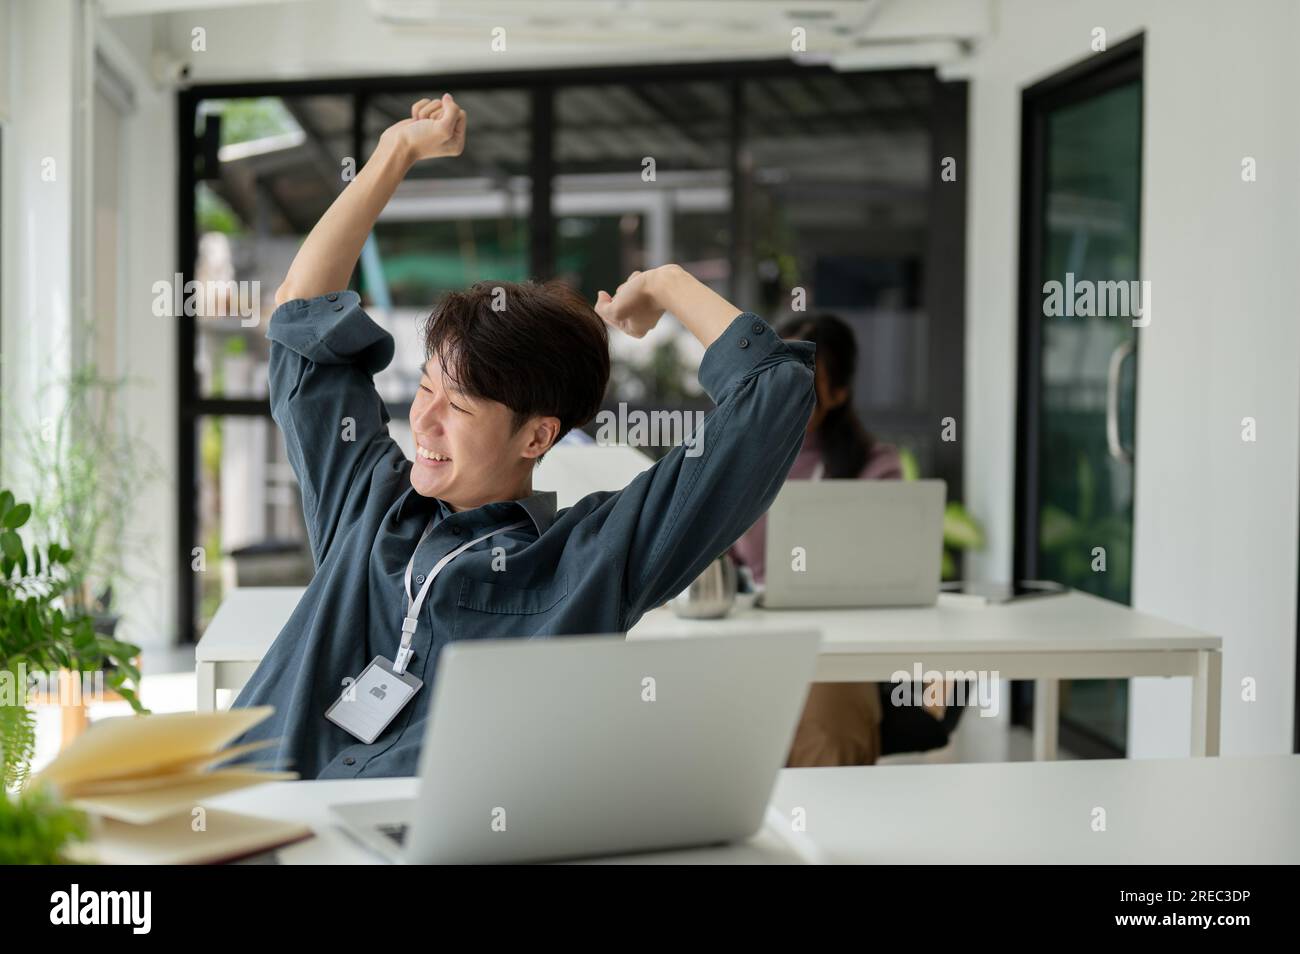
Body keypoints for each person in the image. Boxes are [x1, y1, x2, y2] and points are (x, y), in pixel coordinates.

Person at [230, 94, 817, 779]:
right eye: (425, 389)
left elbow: (773, 396)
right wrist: (396, 153)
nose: (423, 420)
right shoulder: (368, 503)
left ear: (536, 437)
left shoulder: (589, 560)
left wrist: (667, 282)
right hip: (255, 820)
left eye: (460, 406)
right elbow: (301, 323)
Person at [730, 313, 901, 768]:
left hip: (836, 642)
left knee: (825, 719)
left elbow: (885, 568)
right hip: (750, 637)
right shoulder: (744, 455)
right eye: (779, 370)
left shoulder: (874, 467)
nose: (786, 387)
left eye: (805, 376)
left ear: (840, 392)